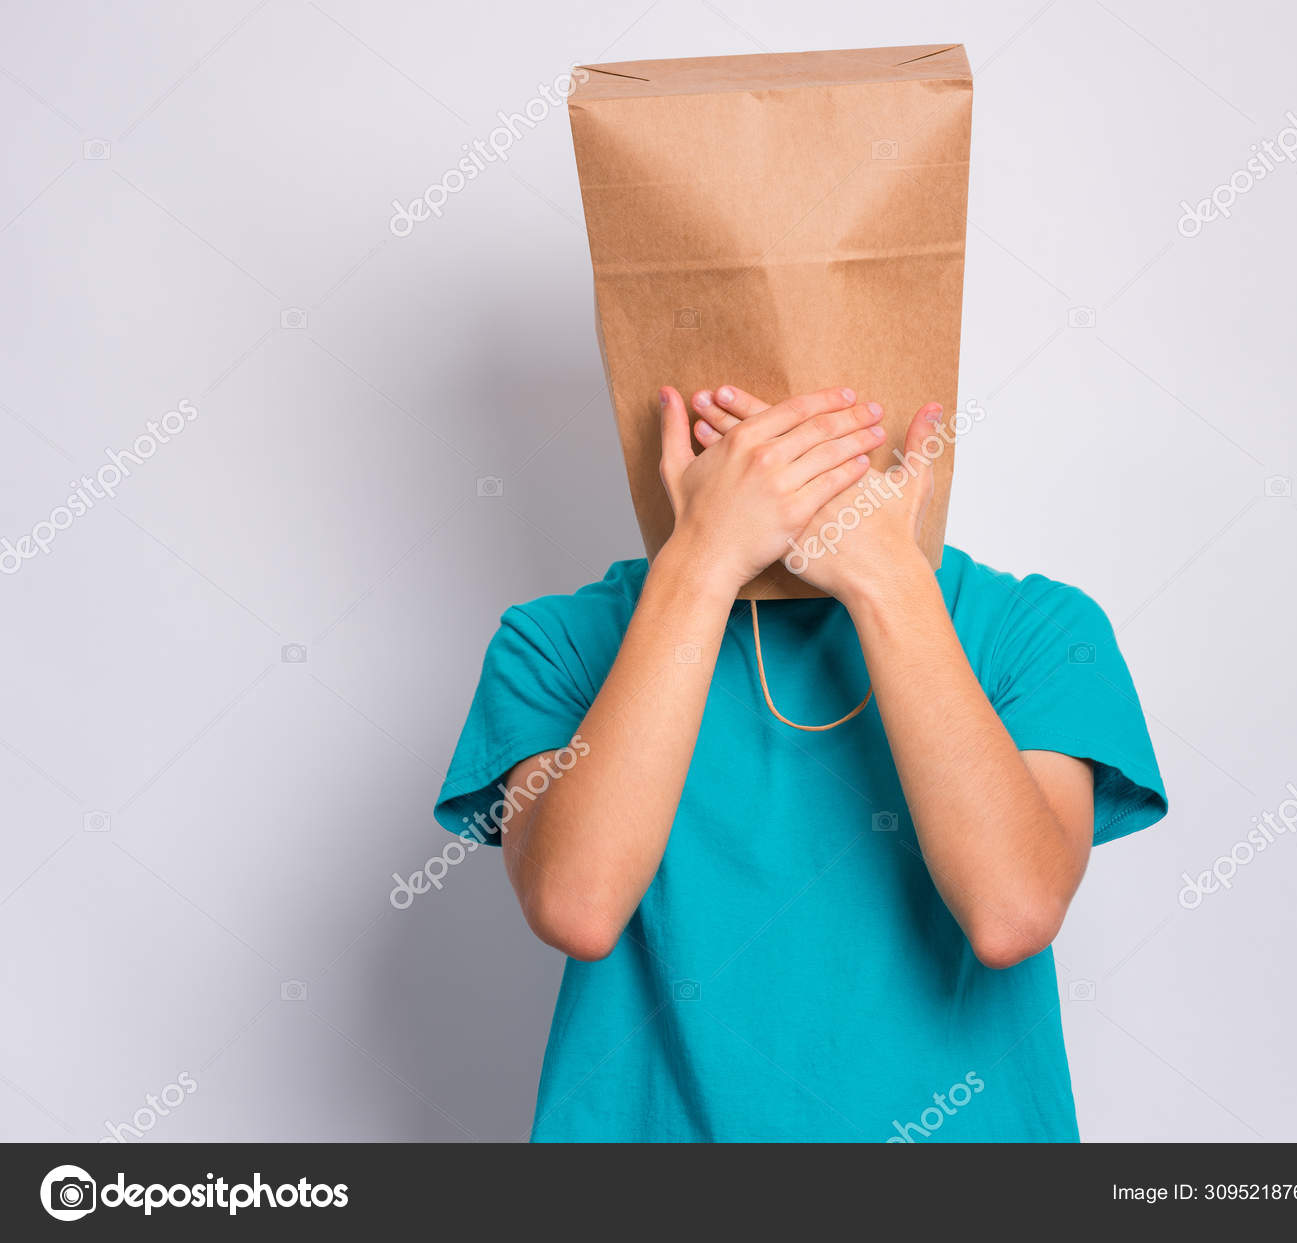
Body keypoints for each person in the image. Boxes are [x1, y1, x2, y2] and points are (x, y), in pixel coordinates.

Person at [435, 383, 1167, 1141]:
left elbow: (1012, 913)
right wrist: (705, 561)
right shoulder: (555, 641)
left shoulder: (1038, 630)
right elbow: (577, 908)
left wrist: (884, 577)